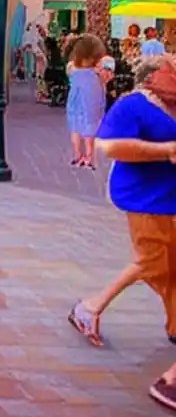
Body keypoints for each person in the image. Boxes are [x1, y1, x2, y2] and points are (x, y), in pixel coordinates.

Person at [68, 58, 176, 363]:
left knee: (170, 264)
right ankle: (89, 308)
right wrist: (166, 151)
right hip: (143, 198)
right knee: (153, 261)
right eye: (173, 69)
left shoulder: (172, 105)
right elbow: (110, 146)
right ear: (155, 75)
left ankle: (174, 324)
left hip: (169, 197)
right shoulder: (133, 105)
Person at [66, 34, 108, 170]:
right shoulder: (96, 71)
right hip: (92, 99)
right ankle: (89, 157)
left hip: (75, 100)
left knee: (75, 126)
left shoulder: (72, 67)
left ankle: (77, 155)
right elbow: (104, 82)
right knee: (90, 126)